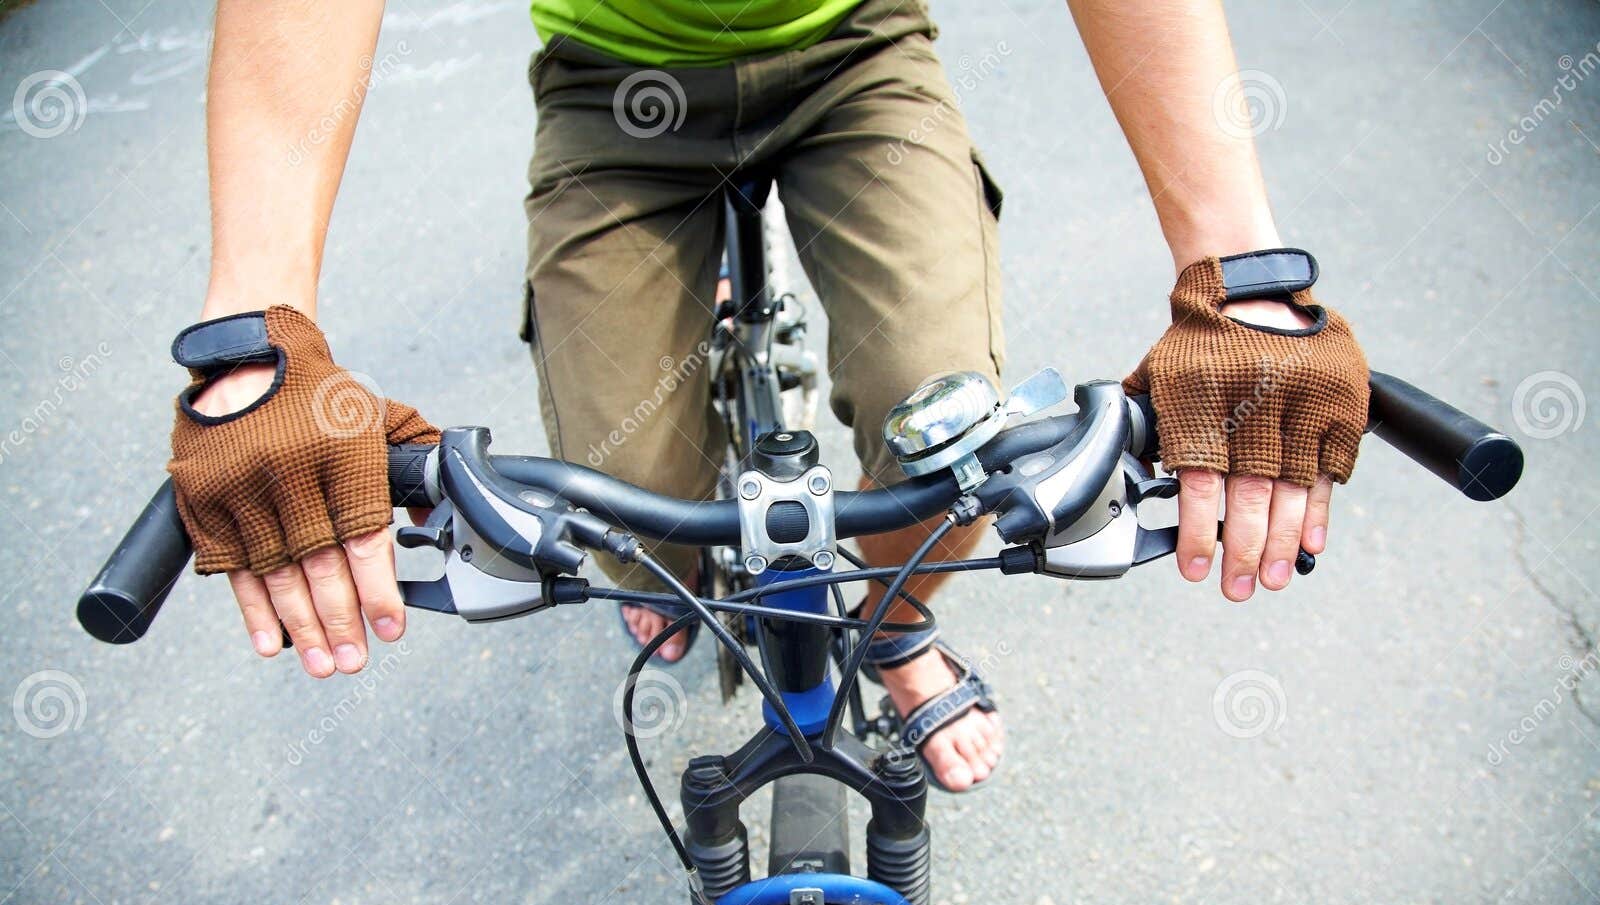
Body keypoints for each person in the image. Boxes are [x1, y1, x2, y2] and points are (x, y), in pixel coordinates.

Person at [165, 0, 1369, 794]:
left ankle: (894, 622)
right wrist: (254, 338)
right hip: (612, 89)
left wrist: (1240, 275)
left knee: (952, 436)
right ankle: (665, 573)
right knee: (627, 499)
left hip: (856, 55)